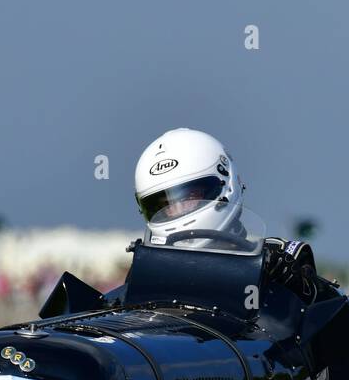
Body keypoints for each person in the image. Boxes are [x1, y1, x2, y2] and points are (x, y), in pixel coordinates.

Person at [133, 128, 326, 304]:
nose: (177, 210)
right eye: (163, 206)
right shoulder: (148, 276)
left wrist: (288, 281)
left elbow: (328, 317)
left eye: (190, 196)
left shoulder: (277, 264)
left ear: (225, 184)